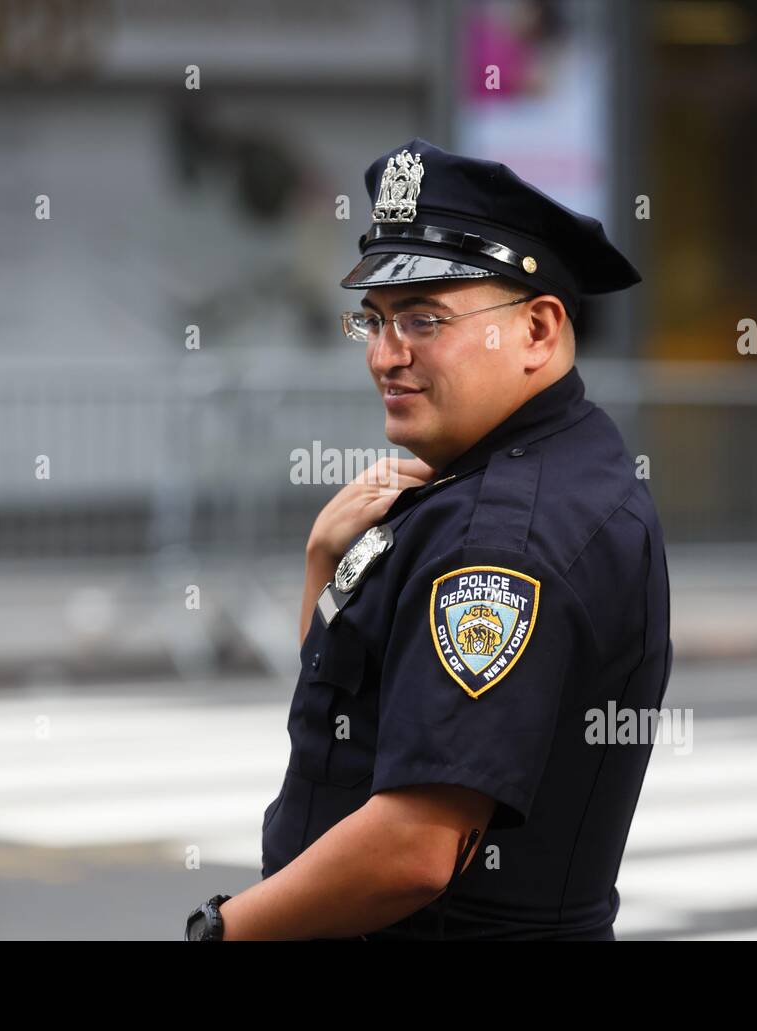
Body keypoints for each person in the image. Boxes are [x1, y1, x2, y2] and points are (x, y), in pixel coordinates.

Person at [183, 138, 671, 941]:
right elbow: (363, 720)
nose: (384, 355)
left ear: (539, 331)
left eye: (423, 319)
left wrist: (222, 932)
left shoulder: (500, 535)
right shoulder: (525, 465)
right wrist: (322, 562)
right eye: (373, 320)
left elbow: (413, 848)